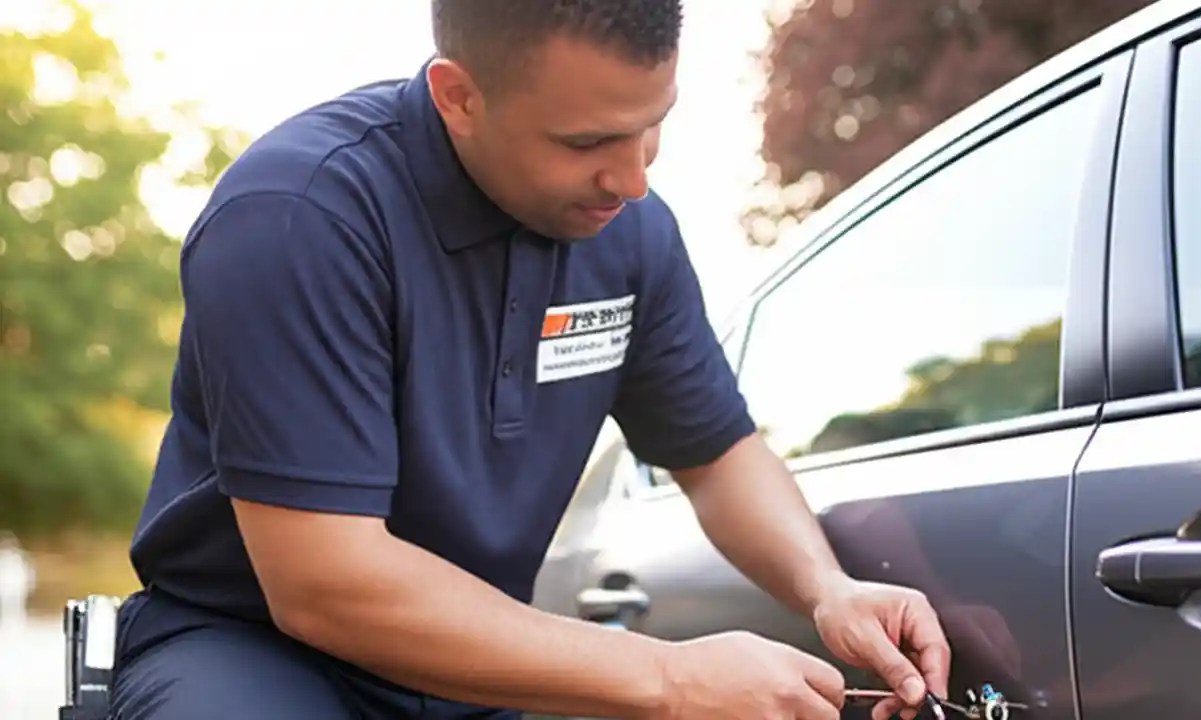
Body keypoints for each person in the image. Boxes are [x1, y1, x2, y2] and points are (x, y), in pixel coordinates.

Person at [108, 2, 952, 719]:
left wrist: (825, 587)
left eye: (652, 126)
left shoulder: (631, 235)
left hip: (472, 668)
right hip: (253, 653)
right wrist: (670, 676)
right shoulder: (298, 218)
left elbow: (717, 455)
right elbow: (327, 586)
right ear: (459, 97)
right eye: (587, 141)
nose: (630, 179)